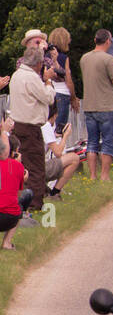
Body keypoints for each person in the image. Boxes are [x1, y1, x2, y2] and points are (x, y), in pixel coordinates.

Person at [8, 42, 55, 219]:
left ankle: (20, 201)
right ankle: (34, 205)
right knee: (36, 167)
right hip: (30, 127)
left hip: (17, 125)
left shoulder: (16, 75)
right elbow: (47, 98)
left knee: (21, 166)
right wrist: (48, 81)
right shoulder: (32, 78)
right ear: (38, 63)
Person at [79, 29, 113, 181]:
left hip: (89, 104)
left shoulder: (84, 58)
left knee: (92, 142)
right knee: (108, 142)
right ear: (108, 41)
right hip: (105, 105)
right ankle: (104, 175)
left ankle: (92, 175)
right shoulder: (108, 59)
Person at [46, 27, 79, 133]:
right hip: (62, 93)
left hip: (49, 91)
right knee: (60, 129)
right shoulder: (63, 57)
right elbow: (68, 79)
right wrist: (73, 97)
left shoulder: (45, 56)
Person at [0, 133, 29, 250]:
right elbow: (18, 196)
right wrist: (22, 178)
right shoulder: (17, 167)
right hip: (10, 218)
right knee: (18, 206)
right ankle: (7, 242)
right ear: (15, 152)